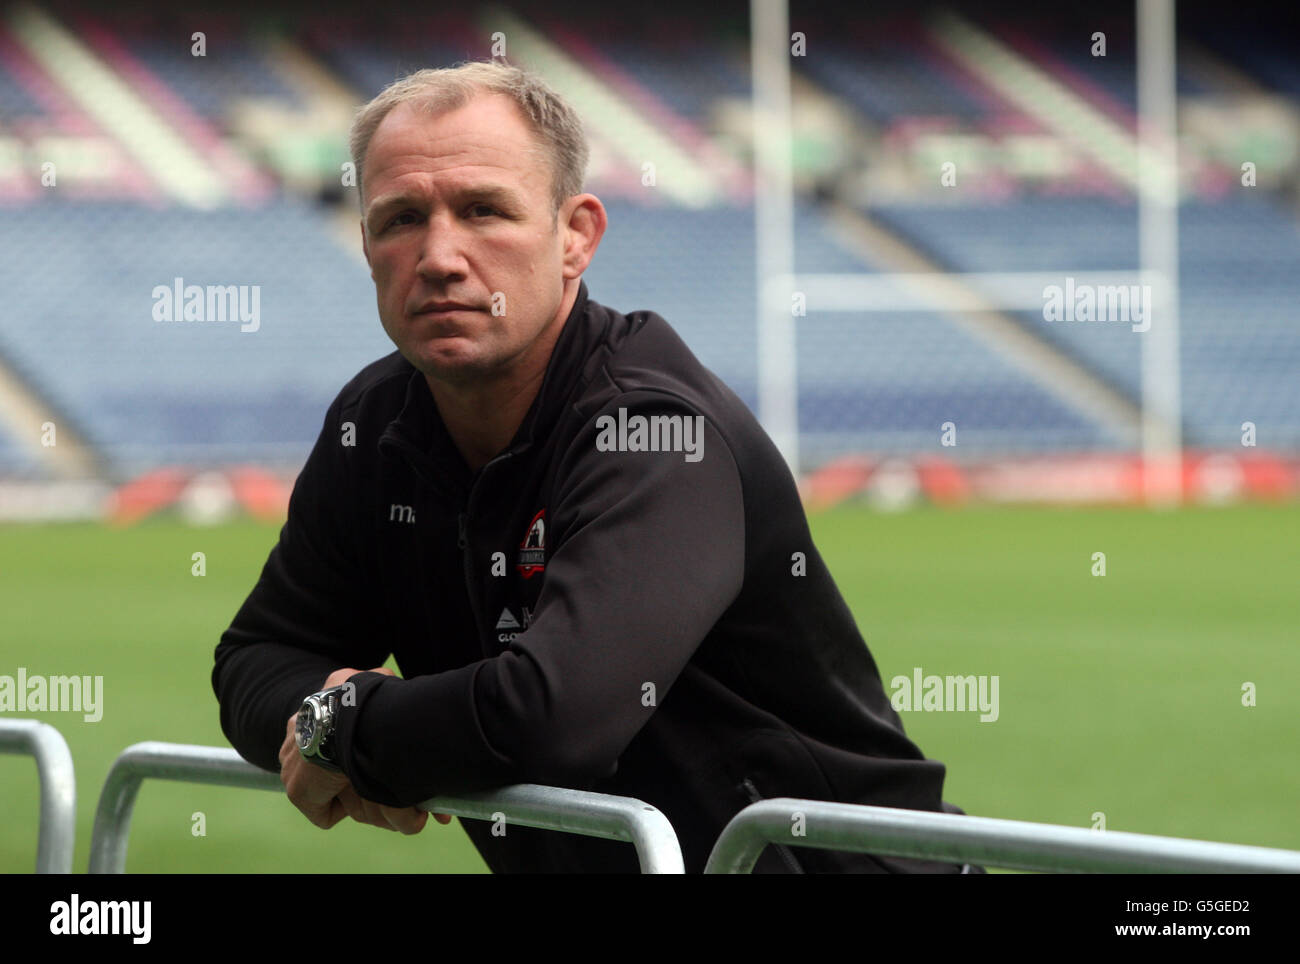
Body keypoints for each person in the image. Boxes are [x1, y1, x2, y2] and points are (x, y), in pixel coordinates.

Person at [212, 60, 977, 873]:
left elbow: (555, 719)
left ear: (575, 235)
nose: (439, 256)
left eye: (483, 211)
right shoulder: (377, 422)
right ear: (365, 243)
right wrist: (345, 724)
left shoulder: (655, 431)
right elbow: (254, 661)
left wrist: (344, 727)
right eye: (401, 219)